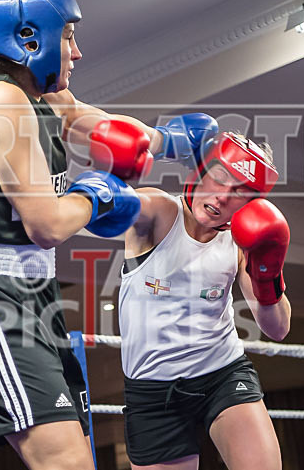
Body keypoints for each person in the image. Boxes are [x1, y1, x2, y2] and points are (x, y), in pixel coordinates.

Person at [0, 0, 208, 469]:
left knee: (79, 458)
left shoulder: (42, 98)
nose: (77, 51)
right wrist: (97, 193)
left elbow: (91, 122)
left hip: (33, 292)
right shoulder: (3, 103)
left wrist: (166, 142)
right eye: (68, 36)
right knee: (67, 463)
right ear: (30, 37)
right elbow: (45, 224)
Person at [113, 130, 293, 469]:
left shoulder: (242, 244)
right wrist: (112, 175)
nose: (223, 197)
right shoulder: (158, 211)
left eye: (240, 192)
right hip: (153, 392)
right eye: (219, 177)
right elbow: (108, 206)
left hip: (221, 375)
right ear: (199, 171)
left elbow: (278, 328)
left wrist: (268, 270)